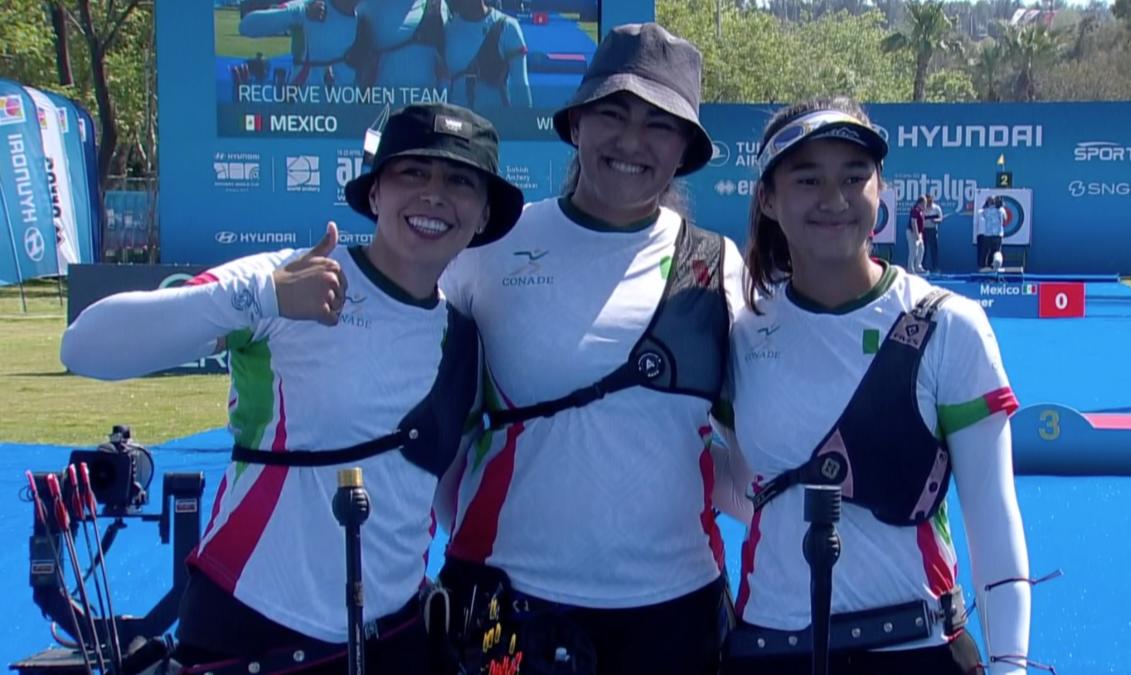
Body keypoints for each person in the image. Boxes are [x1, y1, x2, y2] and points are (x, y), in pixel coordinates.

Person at [60, 103, 525, 674]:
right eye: (412, 173)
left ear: (482, 215)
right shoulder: (286, 279)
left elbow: (437, 491)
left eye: (460, 180)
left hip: (396, 634)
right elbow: (84, 347)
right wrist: (262, 297)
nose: (434, 195)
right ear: (374, 194)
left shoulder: (465, 338)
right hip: (252, 628)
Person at [432, 23, 744, 675]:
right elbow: (439, 446)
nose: (631, 141)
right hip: (506, 598)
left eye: (659, 124)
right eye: (612, 113)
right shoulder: (486, 249)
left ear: (684, 148)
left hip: (675, 608)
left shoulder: (717, 264)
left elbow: (750, 453)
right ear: (576, 125)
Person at [719, 97, 1032, 675]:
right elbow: (736, 485)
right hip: (766, 651)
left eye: (854, 177)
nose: (833, 200)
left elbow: (992, 516)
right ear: (767, 197)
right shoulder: (739, 331)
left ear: (880, 188)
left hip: (915, 650)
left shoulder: (948, 324)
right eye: (807, 178)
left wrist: (1011, 663)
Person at [239, 0, 360, 87]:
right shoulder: (309, 7)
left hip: (342, 108)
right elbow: (247, 26)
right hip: (302, 106)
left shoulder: (364, 18)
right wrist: (302, 13)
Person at [444, 0, 532, 109]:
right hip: (457, 120)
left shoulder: (507, 27)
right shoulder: (448, 29)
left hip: (495, 120)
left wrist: (526, 122)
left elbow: (521, 88)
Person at [352, 0, 447, 91]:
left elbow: (445, 68)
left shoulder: (440, 6)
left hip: (426, 103)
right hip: (384, 101)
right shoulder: (370, 5)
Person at [976, 196, 1005, 271]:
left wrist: (985, 205)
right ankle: (995, 267)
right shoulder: (1000, 210)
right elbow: (1005, 218)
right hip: (997, 235)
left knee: (986, 252)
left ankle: (984, 267)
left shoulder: (985, 211)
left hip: (988, 235)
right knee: (996, 252)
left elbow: (980, 213)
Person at [923, 193, 943, 273]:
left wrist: (935, 221)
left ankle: (935, 267)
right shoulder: (923, 208)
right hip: (924, 230)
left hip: (933, 230)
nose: (929, 202)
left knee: (934, 250)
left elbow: (941, 219)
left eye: (930, 200)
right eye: (927, 201)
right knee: (923, 250)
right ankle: (922, 267)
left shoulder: (937, 208)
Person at [907, 195, 926, 274]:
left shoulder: (920, 211)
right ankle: (910, 269)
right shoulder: (915, 210)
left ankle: (918, 266)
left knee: (921, 249)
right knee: (913, 251)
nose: (925, 205)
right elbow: (913, 222)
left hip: (919, 233)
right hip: (912, 233)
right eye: (924, 203)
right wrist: (916, 234)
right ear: (920, 203)